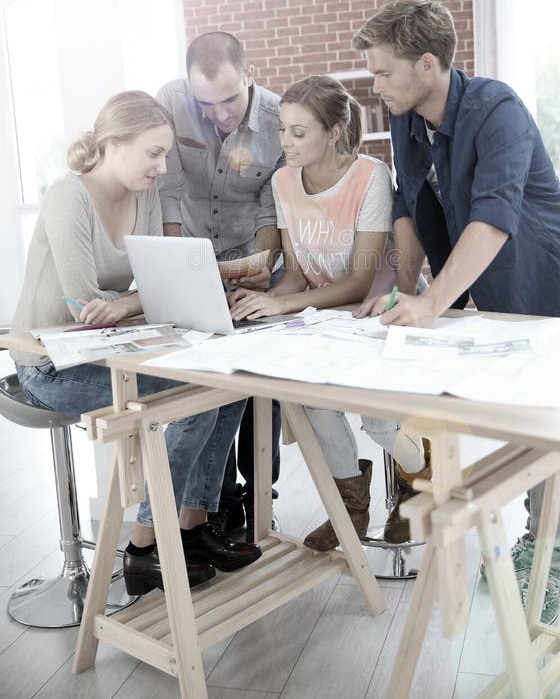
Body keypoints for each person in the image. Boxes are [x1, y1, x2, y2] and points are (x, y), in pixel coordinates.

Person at [352, 0, 560, 623]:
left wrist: (433, 301)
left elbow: (493, 217)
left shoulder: (497, 109)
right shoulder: (407, 117)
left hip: (544, 275)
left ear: (427, 64)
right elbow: (410, 208)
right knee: (501, 416)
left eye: (383, 72)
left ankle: (549, 553)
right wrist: (406, 289)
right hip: (475, 281)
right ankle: (512, 530)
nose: (376, 87)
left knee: (541, 423)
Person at [10, 90, 261, 596]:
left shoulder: (144, 195)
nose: (162, 166)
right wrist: (132, 302)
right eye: (154, 153)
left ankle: (190, 528)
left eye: (165, 154)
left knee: (229, 382)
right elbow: (84, 304)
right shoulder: (67, 197)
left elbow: (152, 287)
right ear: (114, 143)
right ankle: (145, 549)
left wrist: (128, 304)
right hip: (49, 363)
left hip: (108, 349)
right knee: (194, 400)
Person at [229, 75, 428, 550]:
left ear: (334, 132)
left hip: (381, 313)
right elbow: (297, 275)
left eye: (299, 132)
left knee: (379, 423)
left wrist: (282, 302)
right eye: (282, 129)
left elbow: (361, 281)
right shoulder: (282, 181)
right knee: (315, 407)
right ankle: (351, 511)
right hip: (327, 319)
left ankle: (419, 483)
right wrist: (266, 302)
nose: (286, 142)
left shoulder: (369, 176)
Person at [156, 32, 284, 539]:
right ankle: (219, 502)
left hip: (250, 252)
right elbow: (167, 191)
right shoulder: (171, 102)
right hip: (191, 256)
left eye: (229, 100)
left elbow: (273, 205)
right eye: (206, 104)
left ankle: (261, 493)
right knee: (206, 381)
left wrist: (263, 266)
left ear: (249, 75)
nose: (219, 115)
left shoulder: (277, 118)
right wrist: (174, 268)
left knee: (257, 380)